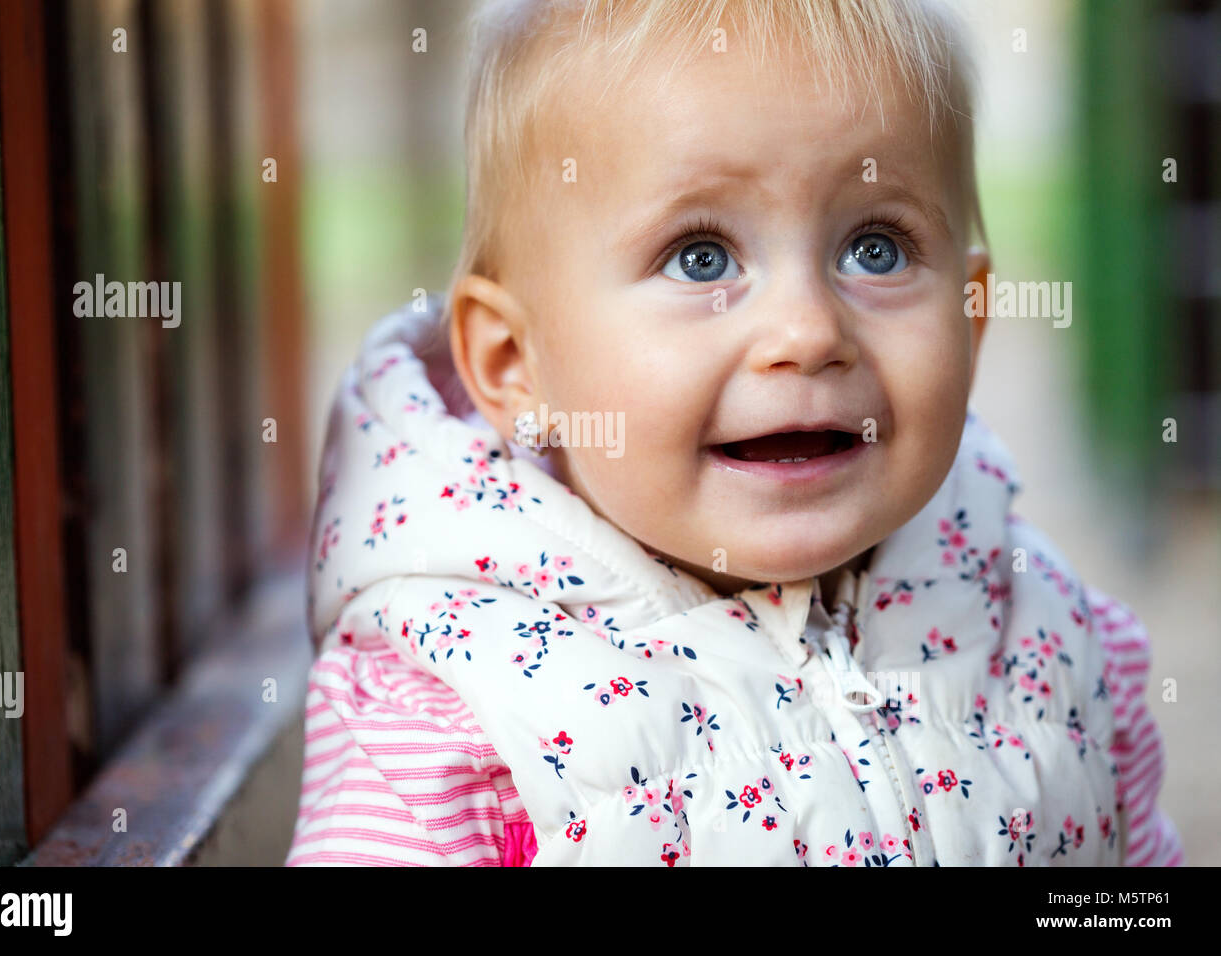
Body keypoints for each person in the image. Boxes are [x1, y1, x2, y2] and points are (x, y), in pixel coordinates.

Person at [286, 0, 1182, 866]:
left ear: (970, 317)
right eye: (700, 257)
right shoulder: (453, 724)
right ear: (518, 364)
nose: (808, 331)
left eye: (876, 247)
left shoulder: (1046, 636)